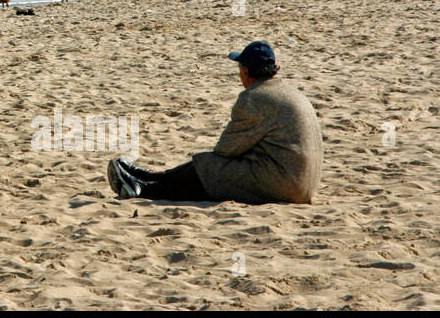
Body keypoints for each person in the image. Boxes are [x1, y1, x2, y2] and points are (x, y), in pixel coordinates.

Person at [106, 41, 323, 204]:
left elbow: (225, 150)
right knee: (212, 167)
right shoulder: (292, 93)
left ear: (246, 71)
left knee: (209, 166)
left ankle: (146, 188)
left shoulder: (254, 98)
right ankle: (147, 178)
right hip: (305, 184)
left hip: (284, 184)